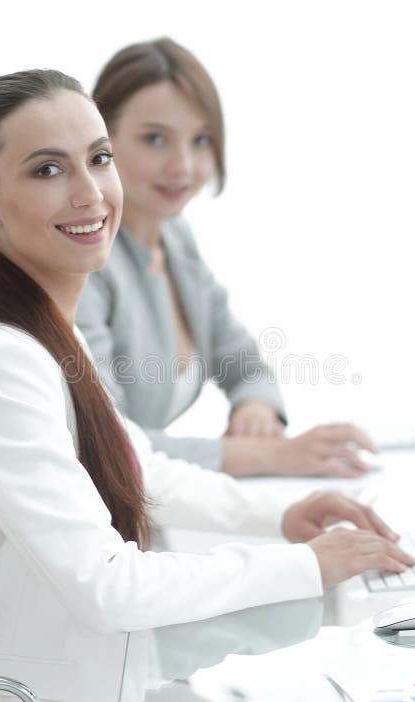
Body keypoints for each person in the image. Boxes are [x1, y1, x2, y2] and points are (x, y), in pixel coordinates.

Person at [0, 69, 414, 702]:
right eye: (47, 171)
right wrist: (308, 563)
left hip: (77, 666)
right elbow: (111, 588)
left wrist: (278, 519)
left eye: (98, 160)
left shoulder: (44, 331)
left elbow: (139, 468)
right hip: (15, 694)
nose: (91, 193)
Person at [76, 38, 376, 477]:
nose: (183, 166)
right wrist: (271, 456)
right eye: (155, 139)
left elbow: (244, 362)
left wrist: (257, 406)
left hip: (150, 512)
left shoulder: (174, 237)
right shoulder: (84, 266)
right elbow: (110, 445)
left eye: (201, 140)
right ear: (102, 141)